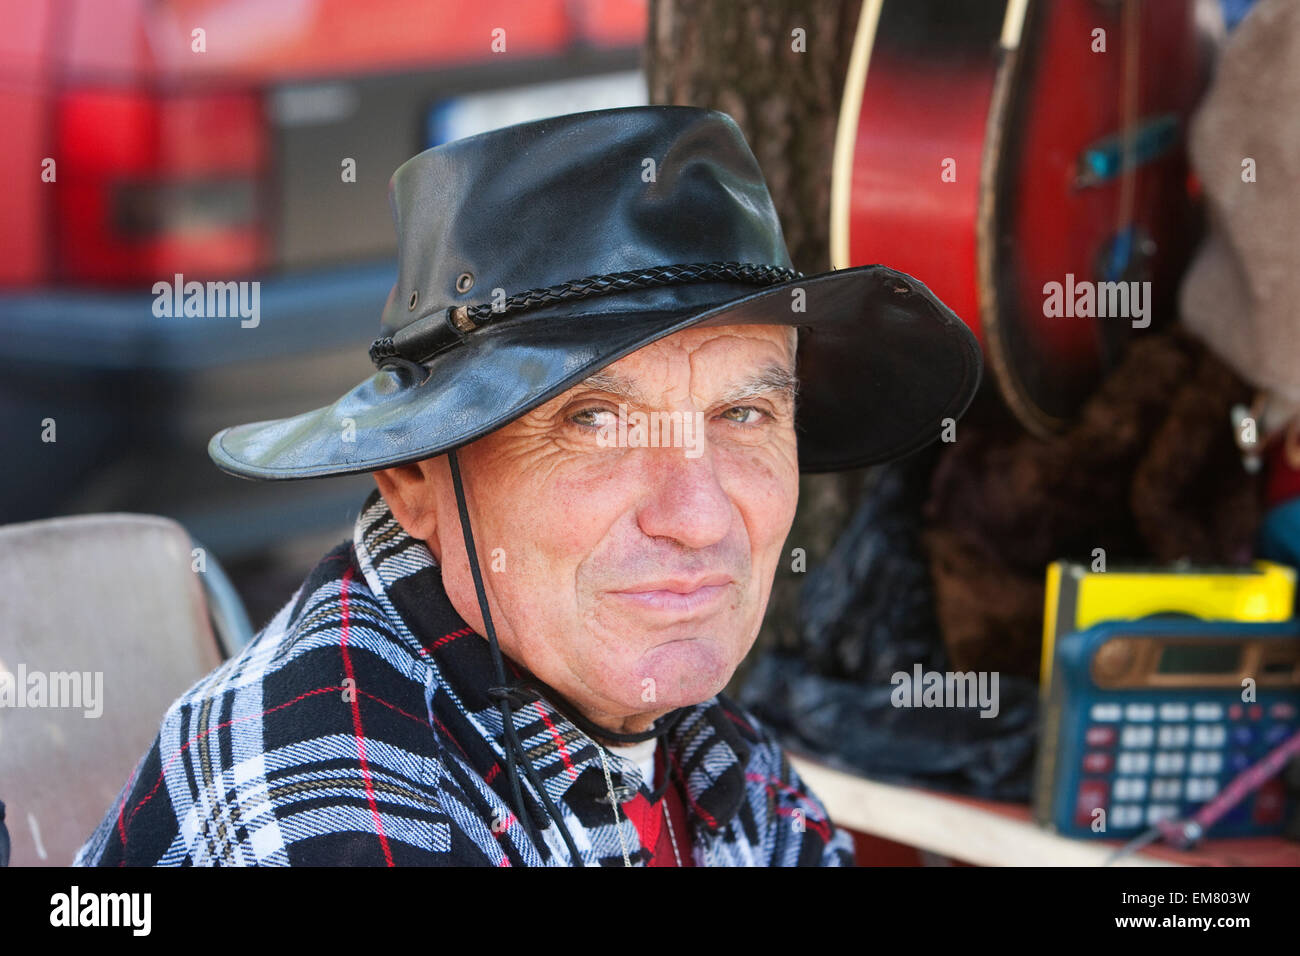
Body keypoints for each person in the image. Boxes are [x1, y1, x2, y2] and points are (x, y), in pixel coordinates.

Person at [75, 105, 980, 866]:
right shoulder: (339, 810)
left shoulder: (696, 746)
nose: (700, 518)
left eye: (742, 417)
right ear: (414, 476)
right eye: (593, 423)